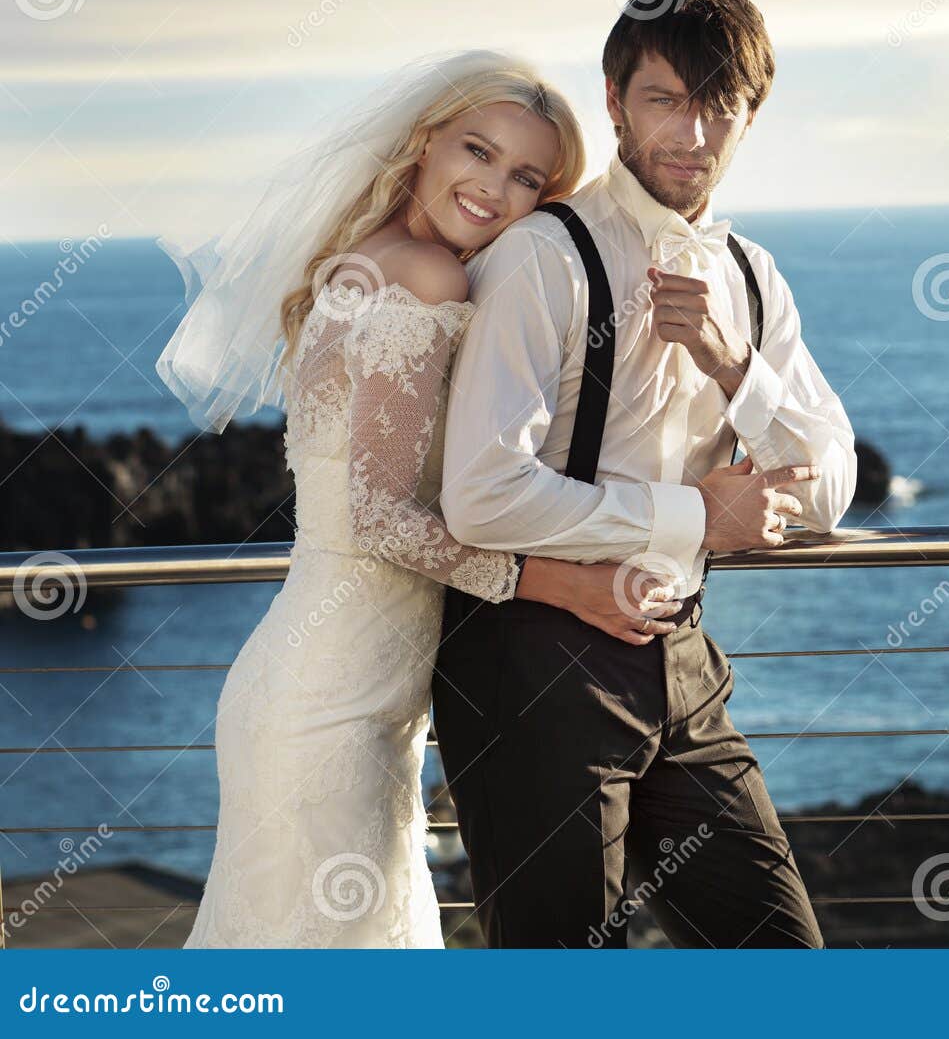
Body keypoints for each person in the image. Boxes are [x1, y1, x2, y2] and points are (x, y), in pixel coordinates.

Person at [157, 51, 685, 947]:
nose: (493, 189)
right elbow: (379, 520)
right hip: (335, 705)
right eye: (476, 151)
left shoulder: (361, 261)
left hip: (318, 685)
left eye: (526, 177)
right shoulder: (428, 280)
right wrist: (564, 583)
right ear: (423, 144)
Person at [433, 0, 857, 948]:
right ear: (616, 102)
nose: (693, 133)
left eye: (721, 106)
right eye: (665, 99)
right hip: (533, 670)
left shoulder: (753, 279)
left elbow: (828, 488)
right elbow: (482, 494)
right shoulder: (546, 255)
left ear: (751, 116)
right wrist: (699, 517)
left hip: (686, 664)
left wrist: (731, 362)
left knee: (781, 956)